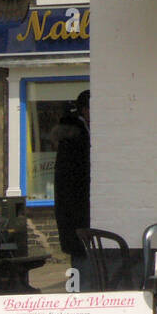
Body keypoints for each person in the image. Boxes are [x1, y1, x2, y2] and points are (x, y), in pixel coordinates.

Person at [52, 89, 91, 257]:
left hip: (74, 207)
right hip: (77, 206)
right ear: (85, 110)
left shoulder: (77, 132)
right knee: (81, 253)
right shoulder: (76, 136)